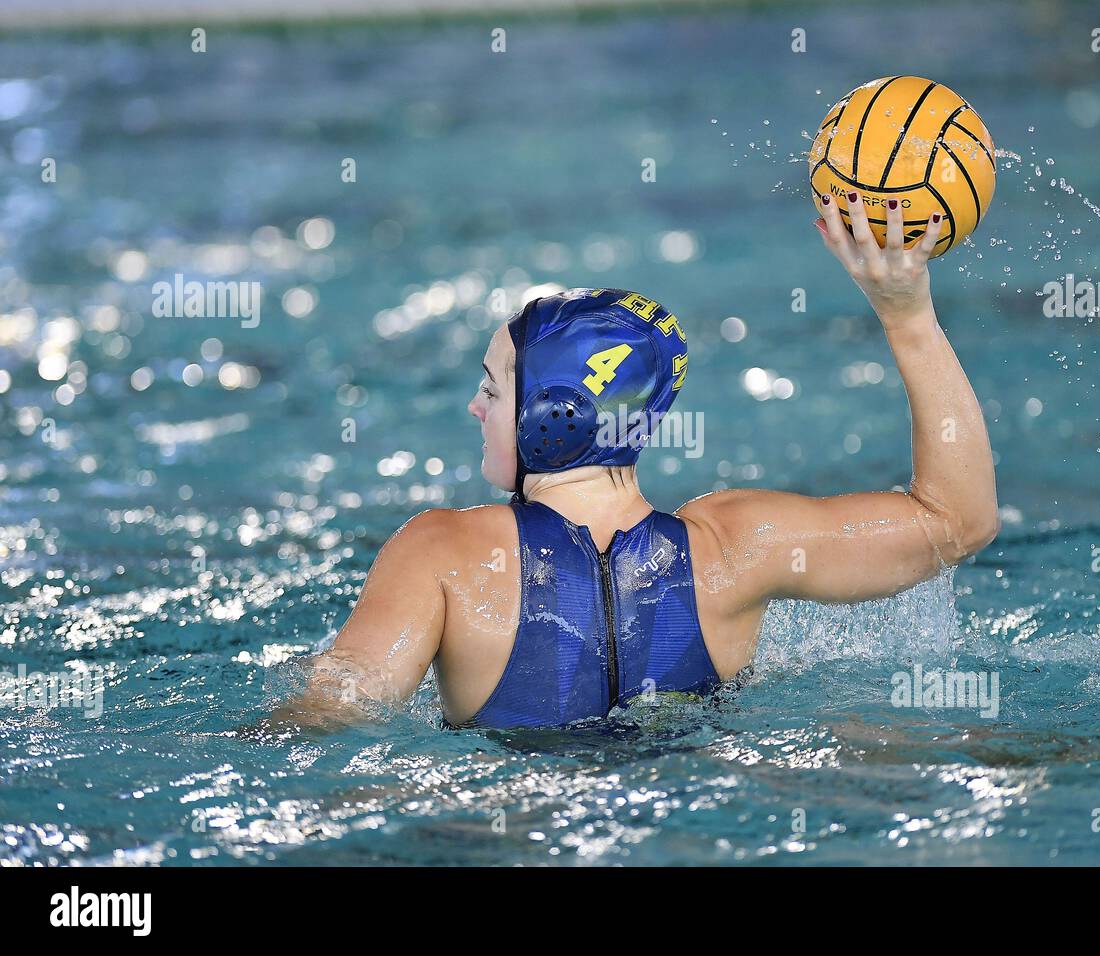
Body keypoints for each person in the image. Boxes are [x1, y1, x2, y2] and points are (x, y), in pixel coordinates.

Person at [267, 195, 999, 731]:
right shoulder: (739, 548)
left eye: (492, 388)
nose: (475, 408)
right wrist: (909, 316)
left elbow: (332, 716)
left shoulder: (443, 552)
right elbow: (957, 522)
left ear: (550, 414)